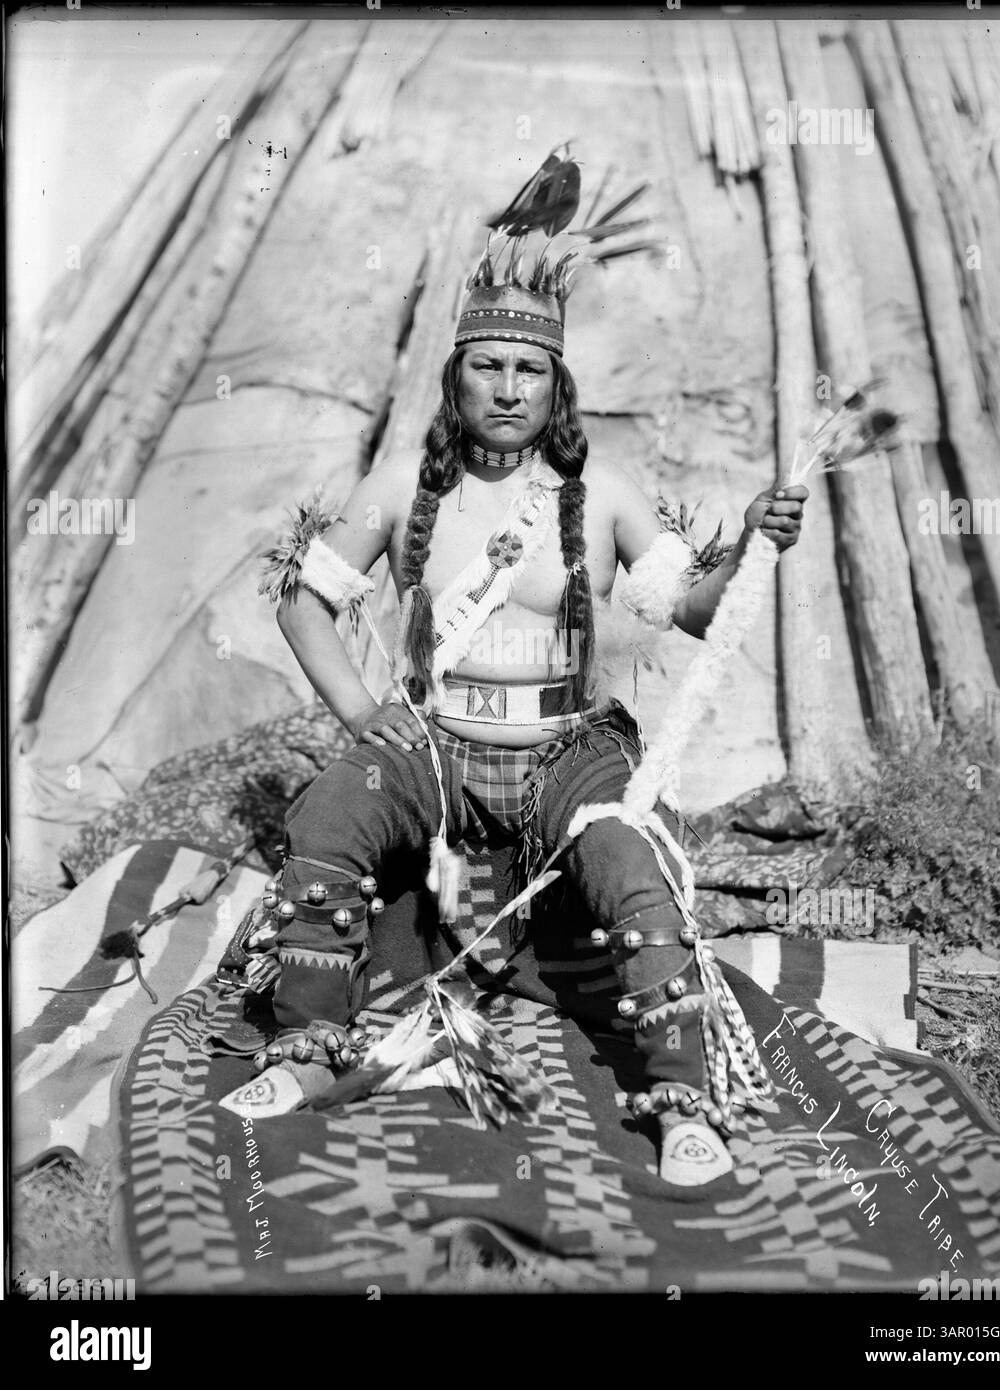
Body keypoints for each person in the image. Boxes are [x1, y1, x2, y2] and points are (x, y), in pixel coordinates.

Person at [224, 150, 807, 1187]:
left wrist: (755, 543)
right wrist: (360, 714)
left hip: (566, 752)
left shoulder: (602, 493)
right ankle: (307, 1048)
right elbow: (302, 600)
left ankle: (680, 1101)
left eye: (528, 370)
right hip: (434, 745)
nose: (506, 387)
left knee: (633, 864)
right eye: (487, 366)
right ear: (455, 376)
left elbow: (691, 609)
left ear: (556, 384)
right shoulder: (403, 486)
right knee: (328, 815)